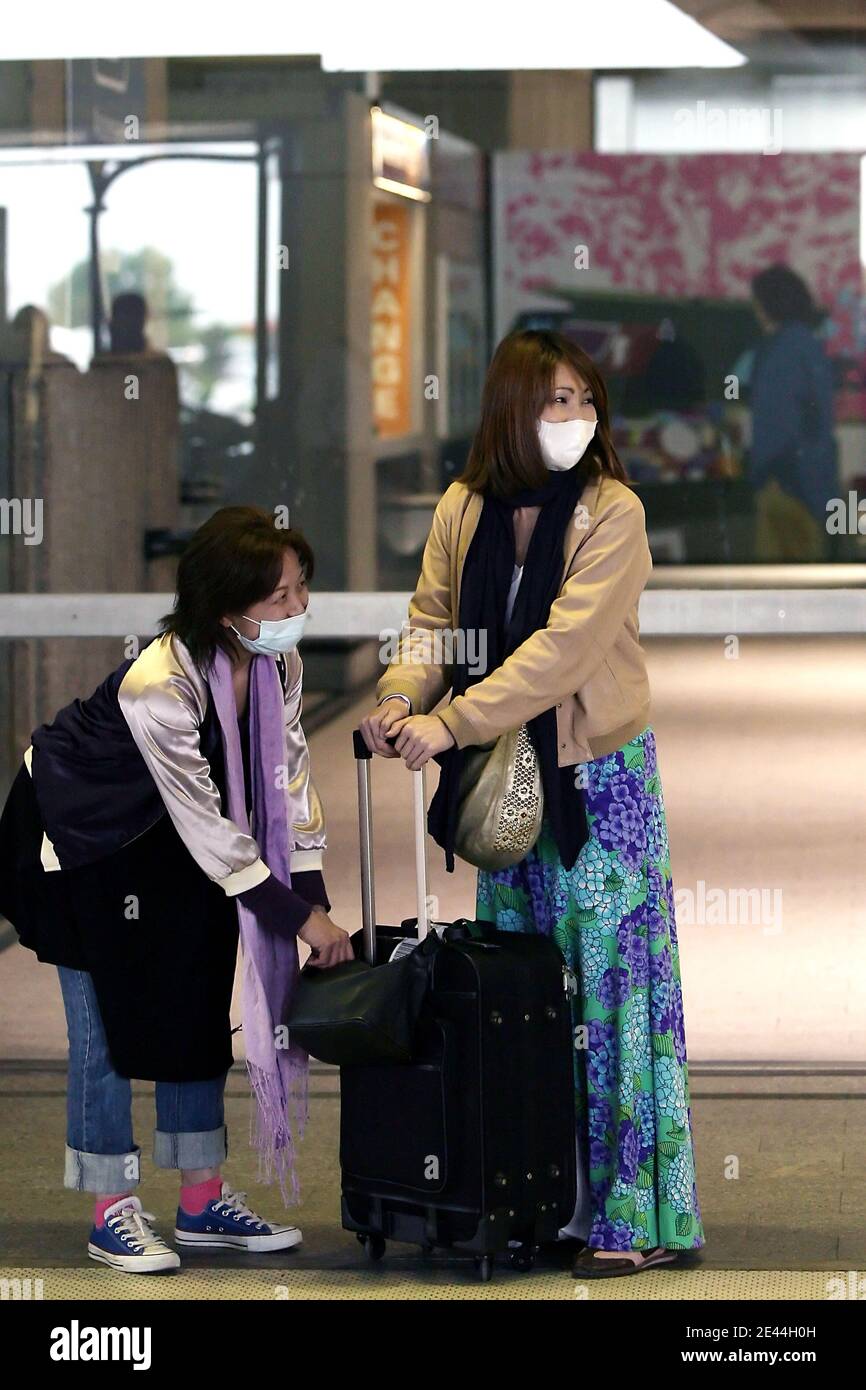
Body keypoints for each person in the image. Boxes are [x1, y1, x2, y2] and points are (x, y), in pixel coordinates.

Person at [360, 328, 705, 1279]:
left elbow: (564, 651)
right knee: (529, 998)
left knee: (614, 992)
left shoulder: (613, 512)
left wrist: (452, 723)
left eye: (584, 399)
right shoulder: (464, 509)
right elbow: (433, 622)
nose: (574, 417)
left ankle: (631, 1216)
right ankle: (541, 1196)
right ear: (512, 408)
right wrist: (400, 697)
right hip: (505, 790)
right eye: (554, 400)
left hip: (598, 788)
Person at [0, 505, 352, 1274]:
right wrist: (297, 917)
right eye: (281, 596)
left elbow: (288, 785)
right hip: (81, 843)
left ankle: (200, 1204)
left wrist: (314, 900)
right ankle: (111, 1210)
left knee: (193, 1004)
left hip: (167, 844)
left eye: (301, 590)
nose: (299, 609)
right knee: (107, 1028)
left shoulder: (276, 666)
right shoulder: (159, 686)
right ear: (227, 609)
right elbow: (210, 825)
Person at [748, 263, 838, 561]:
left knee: (781, 584)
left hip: (788, 484)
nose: (755, 309)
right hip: (809, 482)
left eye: (758, 301)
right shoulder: (808, 344)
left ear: (769, 303)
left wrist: (772, 473)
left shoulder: (781, 349)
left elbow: (780, 420)